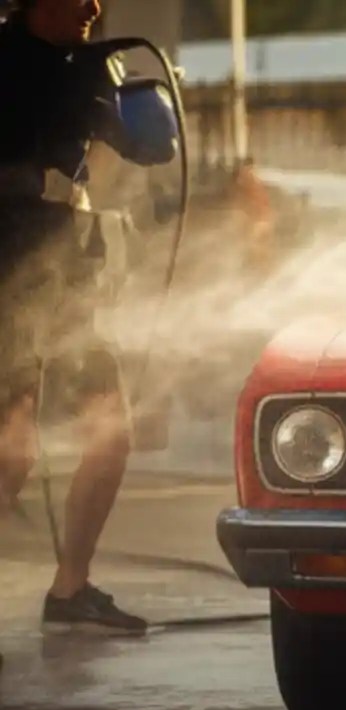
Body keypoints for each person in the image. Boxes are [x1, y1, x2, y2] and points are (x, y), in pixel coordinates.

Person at [0, 0, 153, 634]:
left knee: (109, 432)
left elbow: (137, 147)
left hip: (64, 277)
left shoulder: (88, 66)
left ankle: (71, 589)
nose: (94, 6)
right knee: (12, 451)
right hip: (8, 276)